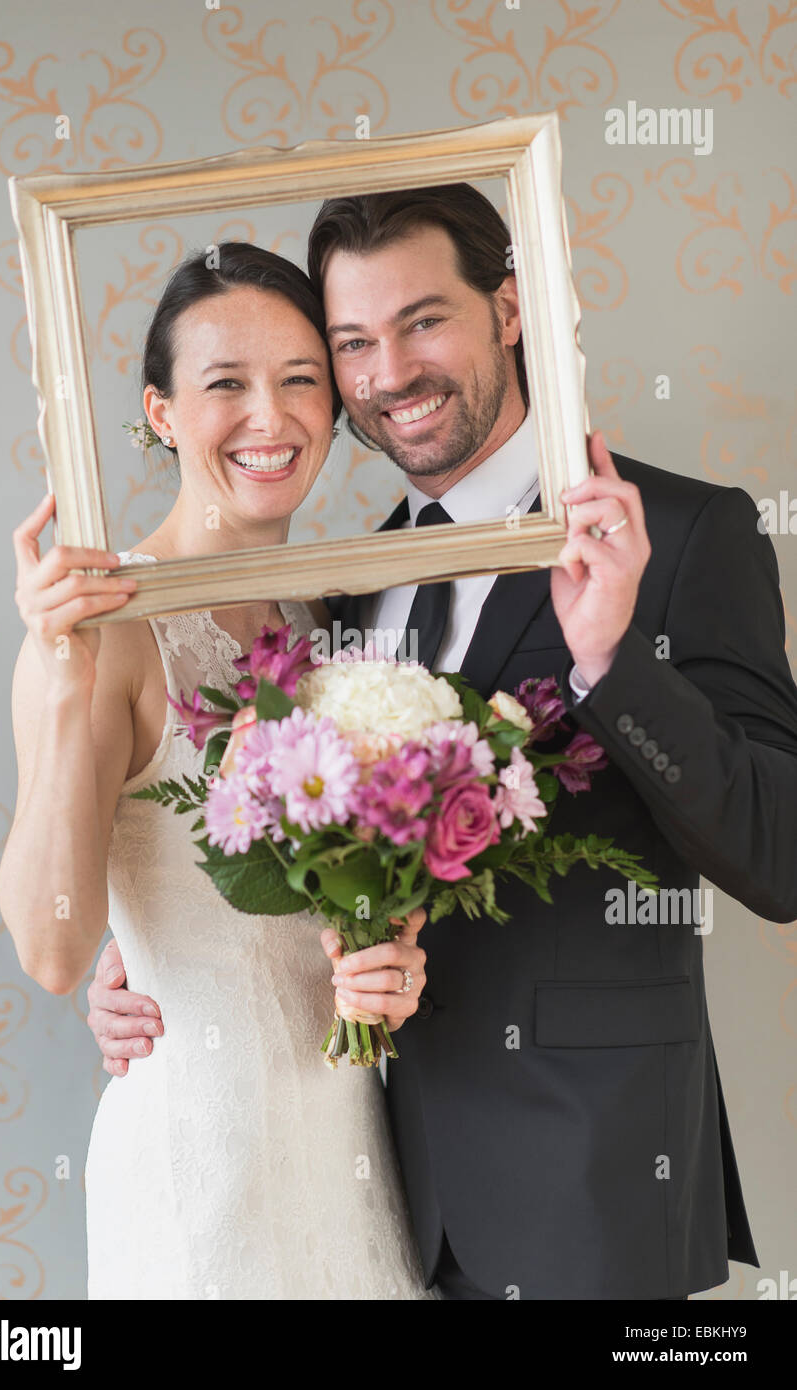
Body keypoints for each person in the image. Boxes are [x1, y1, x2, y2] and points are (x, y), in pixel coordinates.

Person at [89, 185, 797, 1300]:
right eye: (354, 343)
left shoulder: (685, 532)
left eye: (425, 321)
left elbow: (780, 852)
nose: (390, 374)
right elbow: (293, 834)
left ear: (508, 310)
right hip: (377, 1186)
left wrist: (615, 663)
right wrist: (145, 949)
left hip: (591, 1189)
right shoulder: (350, 589)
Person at [0, 242, 435, 1300]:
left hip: (348, 1143)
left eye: (298, 381)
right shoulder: (102, 627)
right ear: (160, 411)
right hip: (198, 1158)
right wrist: (63, 679)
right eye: (224, 384)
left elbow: (345, 900)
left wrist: (394, 962)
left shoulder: (330, 618)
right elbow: (56, 951)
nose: (269, 417)